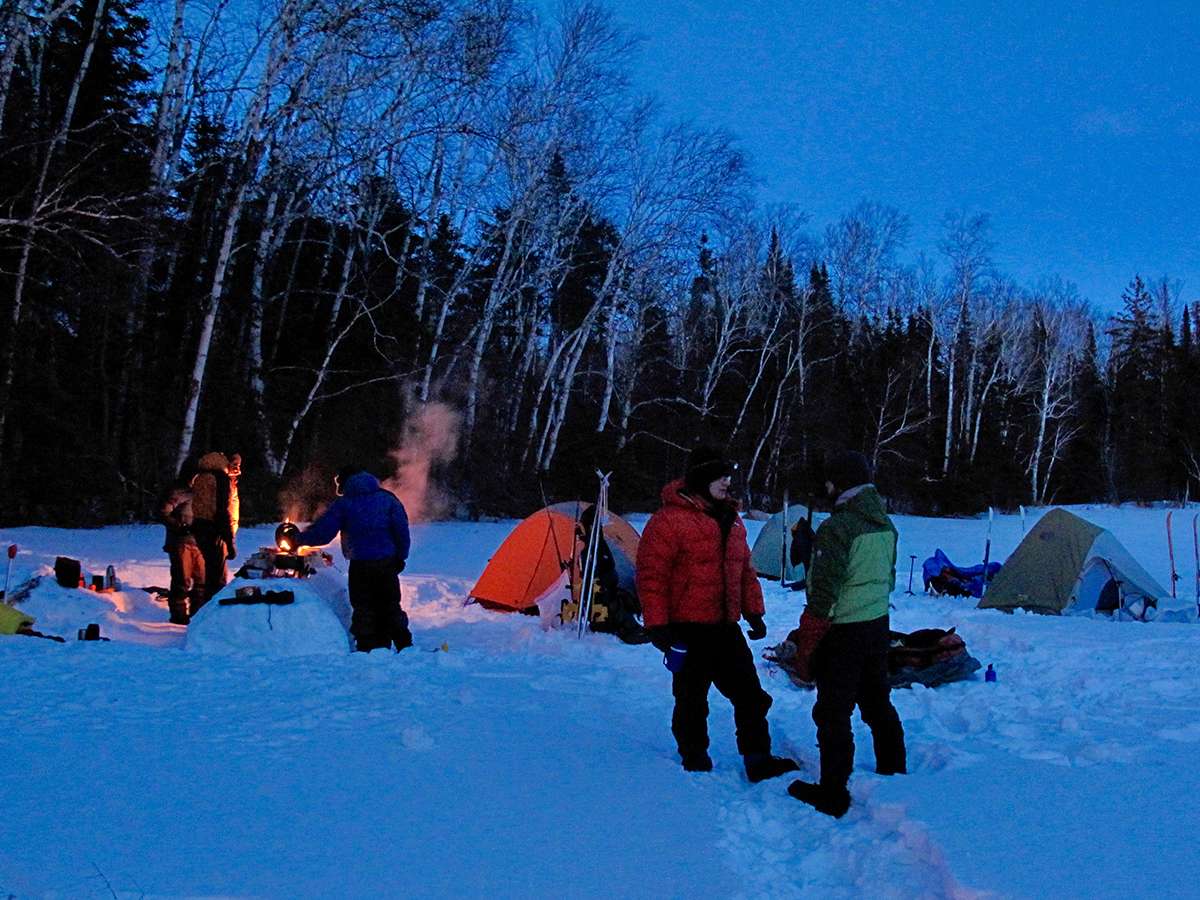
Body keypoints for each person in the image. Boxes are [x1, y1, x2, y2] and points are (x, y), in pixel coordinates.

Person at [637, 445, 798, 782]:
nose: (727, 483)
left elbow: (745, 570)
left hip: (725, 627)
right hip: (686, 629)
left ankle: (758, 758)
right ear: (700, 480)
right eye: (720, 477)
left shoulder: (732, 519)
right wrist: (658, 625)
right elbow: (651, 576)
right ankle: (694, 756)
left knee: (751, 696)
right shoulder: (668, 521)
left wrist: (754, 611)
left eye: (728, 476)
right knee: (691, 698)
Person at [786, 450, 907, 818]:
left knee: (832, 712)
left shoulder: (838, 528)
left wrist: (810, 634)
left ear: (838, 484)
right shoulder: (884, 523)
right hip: (876, 624)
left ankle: (832, 791)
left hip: (843, 632)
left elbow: (824, 593)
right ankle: (894, 769)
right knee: (876, 700)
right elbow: (888, 576)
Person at [294, 465, 412, 652]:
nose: (336, 486)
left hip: (361, 565)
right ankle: (404, 645)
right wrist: (401, 556)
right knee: (390, 604)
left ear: (345, 482)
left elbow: (323, 532)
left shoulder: (345, 504)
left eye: (337, 482)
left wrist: (299, 540)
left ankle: (368, 648)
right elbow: (401, 531)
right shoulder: (388, 499)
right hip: (387, 563)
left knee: (364, 607)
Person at [190, 451, 237, 607]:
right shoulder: (220, 479)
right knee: (217, 578)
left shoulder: (199, 478)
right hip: (214, 530)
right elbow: (222, 511)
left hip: (199, 527)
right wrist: (230, 541)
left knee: (207, 574)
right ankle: (213, 612)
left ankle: (200, 609)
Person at [160, 473, 205, 625]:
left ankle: (197, 614)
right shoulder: (179, 493)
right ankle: (178, 615)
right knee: (182, 579)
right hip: (181, 542)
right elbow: (163, 512)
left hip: (201, 542)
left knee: (201, 580)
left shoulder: (205, 494)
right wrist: (179, 527)